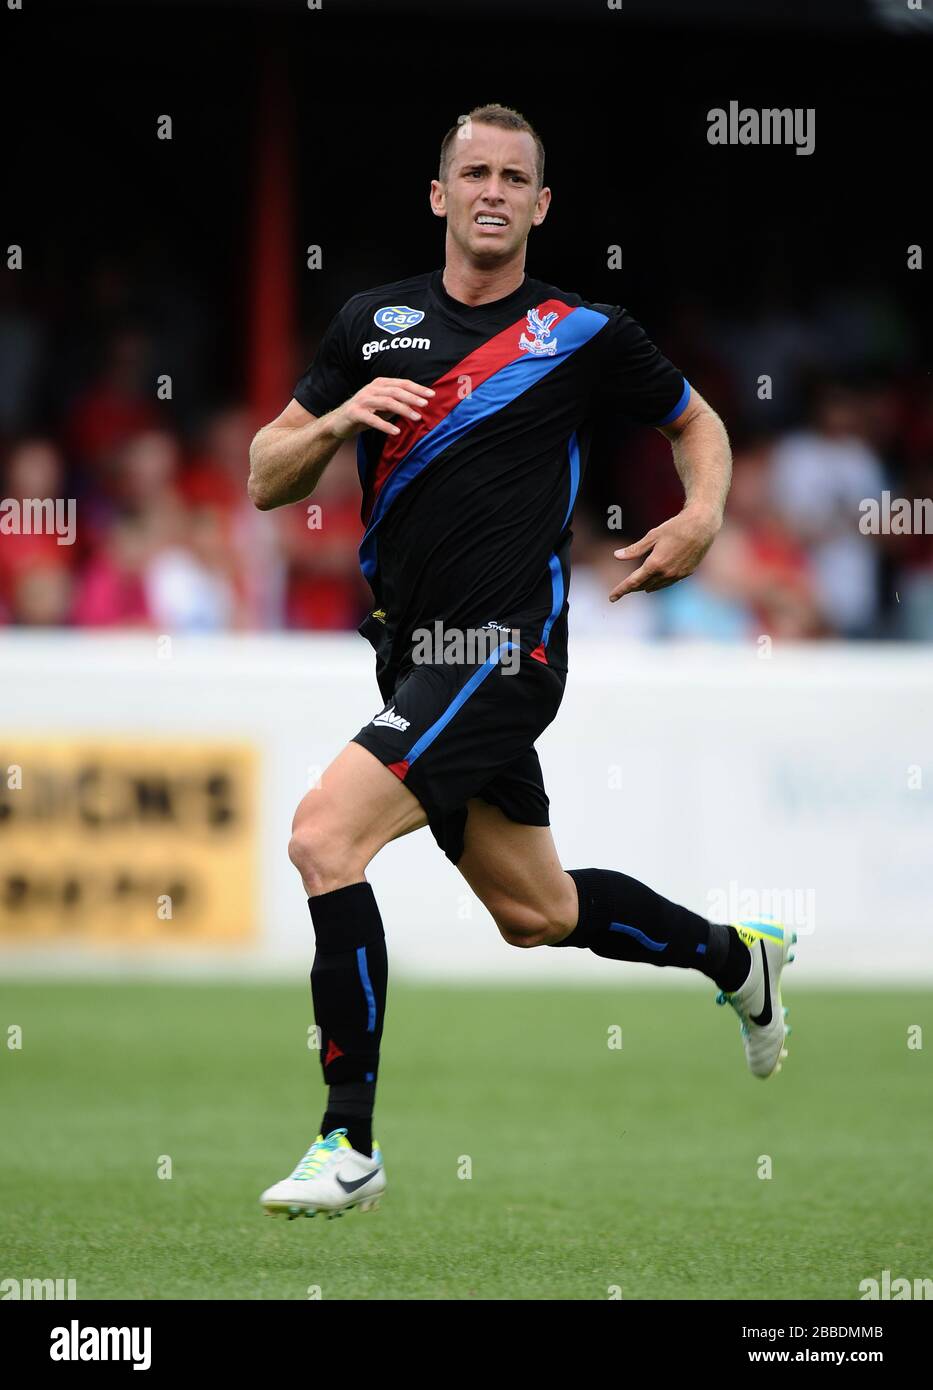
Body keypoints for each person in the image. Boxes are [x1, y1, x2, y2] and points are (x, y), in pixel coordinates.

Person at [247, 104, 795, 1220]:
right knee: (536, 911)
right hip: (411, 660)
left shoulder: (582, 330)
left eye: (515, 177)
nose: (493, 190)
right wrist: (339, 413)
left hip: (505, 654)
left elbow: (697, 424)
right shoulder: (372, 323)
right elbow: (266, 475)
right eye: (473, 173)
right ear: (441, 195)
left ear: (541, 206)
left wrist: (701, 518)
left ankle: (347, 1140)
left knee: (322, 834)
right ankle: (740, 961)